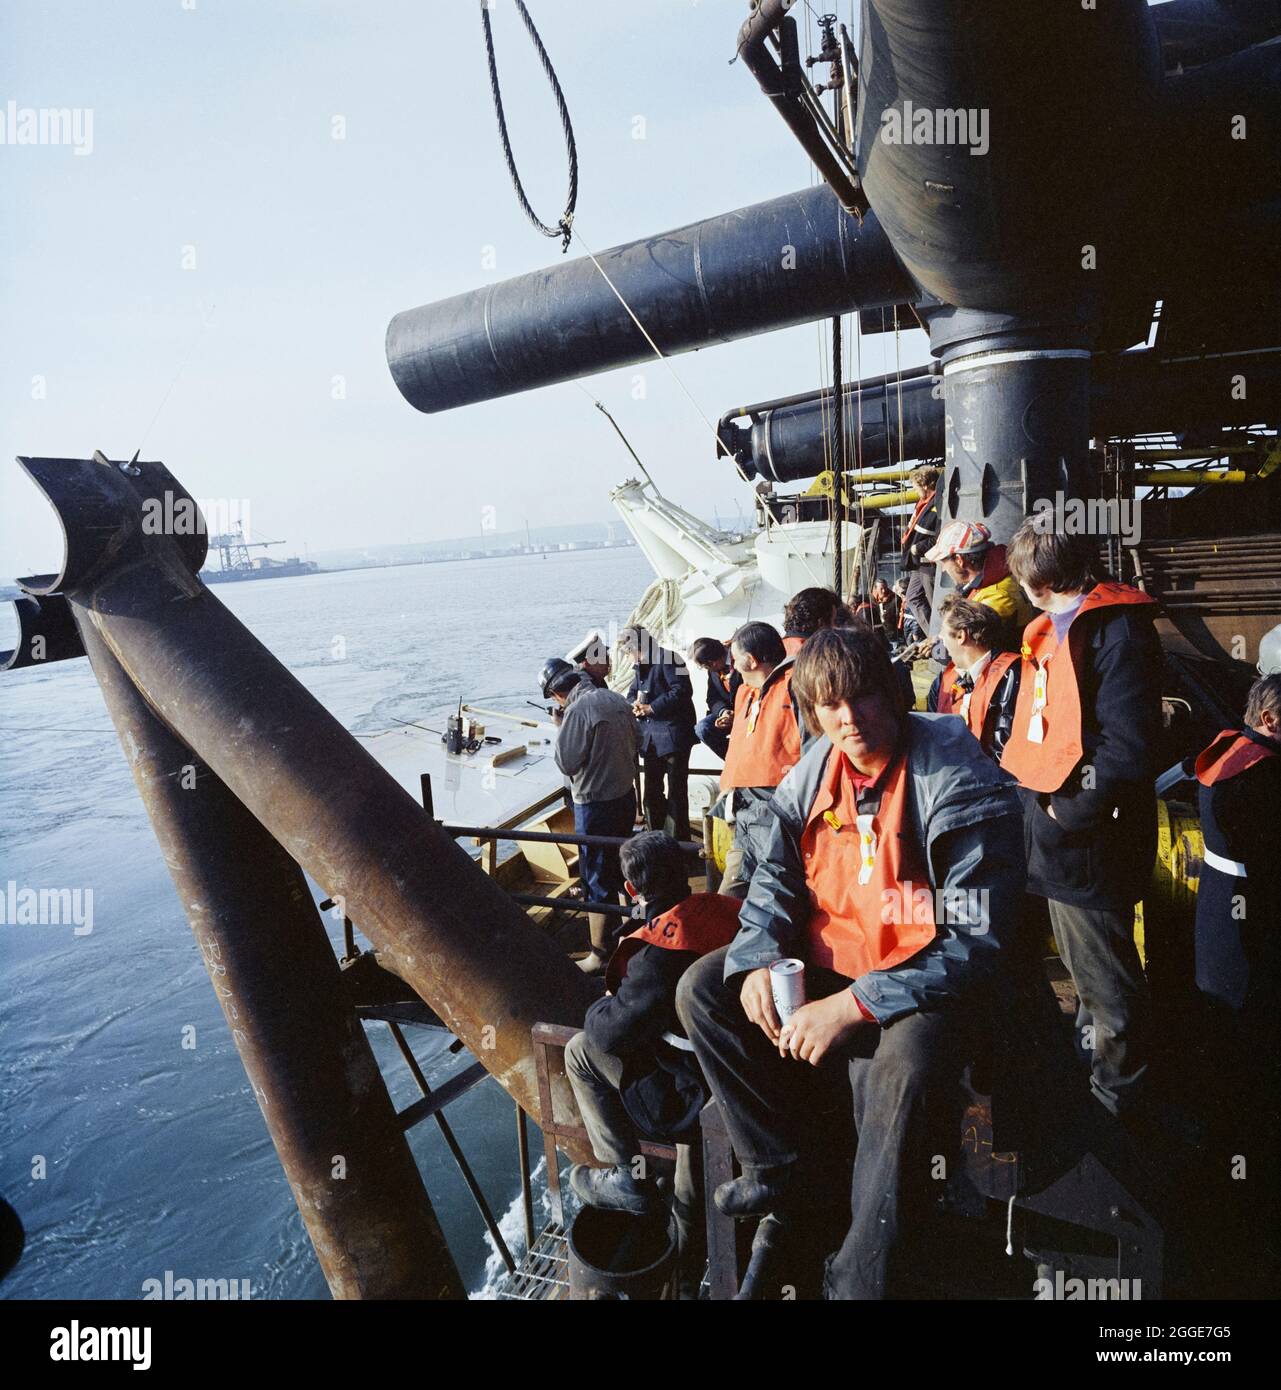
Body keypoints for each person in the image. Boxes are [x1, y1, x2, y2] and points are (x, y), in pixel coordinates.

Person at [677, 626, 1026, 1300]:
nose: (849, 720)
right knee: (701, 990)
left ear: (894, 697)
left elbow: (976, 939)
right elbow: (774, 884)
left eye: (863, 699)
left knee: (904, 1066)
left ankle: (862, 1268)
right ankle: (779, 1167)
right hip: (834, 953)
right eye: (830, 707)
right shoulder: (812, 774)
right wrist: (755, 959)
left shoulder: (958, 780)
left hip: (924, 971)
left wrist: (854, 1004)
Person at [1000, 522, 1162, 1120]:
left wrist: (1065, 812)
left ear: (1034, 583)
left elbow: (1127, 746)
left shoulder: (1115, 632)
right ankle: (1092, 1087)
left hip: (1087, 844)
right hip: (1057, 839)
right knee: (1086, 978)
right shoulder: (1057, 629)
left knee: (1107, 986)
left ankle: (1116, 1109)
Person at [565, 833, 742, 1291]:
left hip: (692, 1092)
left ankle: (629, 1177)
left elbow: (608, 1032)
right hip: (739, 1072)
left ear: (630, 891)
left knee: (580, 1051)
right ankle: (691, 1271)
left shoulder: (655, 954)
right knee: (691, 1191)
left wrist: (605, 1001)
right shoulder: (725, 911)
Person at [1190, 673, 1281, 1285]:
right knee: (1250, 1040)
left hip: (1219, 910)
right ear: (1272, 721)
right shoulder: (1264, 774)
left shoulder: (1228, 746)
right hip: (1247, 919)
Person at [543, 658, 640, 973]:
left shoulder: (577, 710)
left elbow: (567, 764)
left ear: (558, 692)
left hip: (595, 805)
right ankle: (632, 936)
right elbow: (639, 741)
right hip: (624, 799)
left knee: (597, 878)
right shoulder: (615, 699)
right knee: (622, 869)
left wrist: (561, 727)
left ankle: (600, 954)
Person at [716, 622, 806, 897]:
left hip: (773, 806)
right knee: (745, 885)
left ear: (751, 660)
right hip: (744, 807)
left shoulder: (795, 687)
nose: (733, 667)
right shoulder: (747, 692)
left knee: (758, 887)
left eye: (735, 659)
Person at [620, 625, 696, 842]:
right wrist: (633, 704)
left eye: (628, 653)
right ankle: (656, 839)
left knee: (676, 793)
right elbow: (633, 692)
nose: (629, 659)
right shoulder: (641, 666)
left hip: (674, 737)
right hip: (652, 740)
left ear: (637, 648)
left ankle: (678, 844)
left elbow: (682, 690)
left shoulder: (672, 658)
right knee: (651, 792)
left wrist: (652, 708)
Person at [926, 595, 1021, 761]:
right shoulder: (944, 681)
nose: (941, 639)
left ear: (961, 636)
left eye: (943, 631)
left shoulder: (1010, 674)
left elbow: (1004, 751)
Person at [921, 519, 1034, 653]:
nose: (944, 569)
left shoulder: (997, 597)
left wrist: (936, 649)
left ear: (959, 560)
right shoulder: (991, 581)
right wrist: (937, 640)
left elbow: (965, 648)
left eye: (944, 562)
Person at [900, 465, 941, 637]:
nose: (916, 492)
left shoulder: (937, 503)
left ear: (924, 485)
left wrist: (919, 547)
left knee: (935, 603)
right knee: (913, 597)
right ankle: (933, 636)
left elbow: (940, 534)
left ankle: (942, 638)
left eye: (916, 487)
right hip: (918, 563)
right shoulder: (923, 504)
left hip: (927, 562)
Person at [688, 636, 739, 761]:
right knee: (703, 729)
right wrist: (723, 712)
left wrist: (737, 714)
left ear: (712, 663)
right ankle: (735, 760)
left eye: (705, 666)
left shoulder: (740, 656)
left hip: (748, 711)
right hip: (728, 713)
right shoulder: (713, 670)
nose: (706, 669)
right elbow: (712, 697)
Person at [781, 587, 847, 657]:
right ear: (821, 623)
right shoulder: (819, 657)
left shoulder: (774, 649)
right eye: (834, 621)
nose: (836, 627)